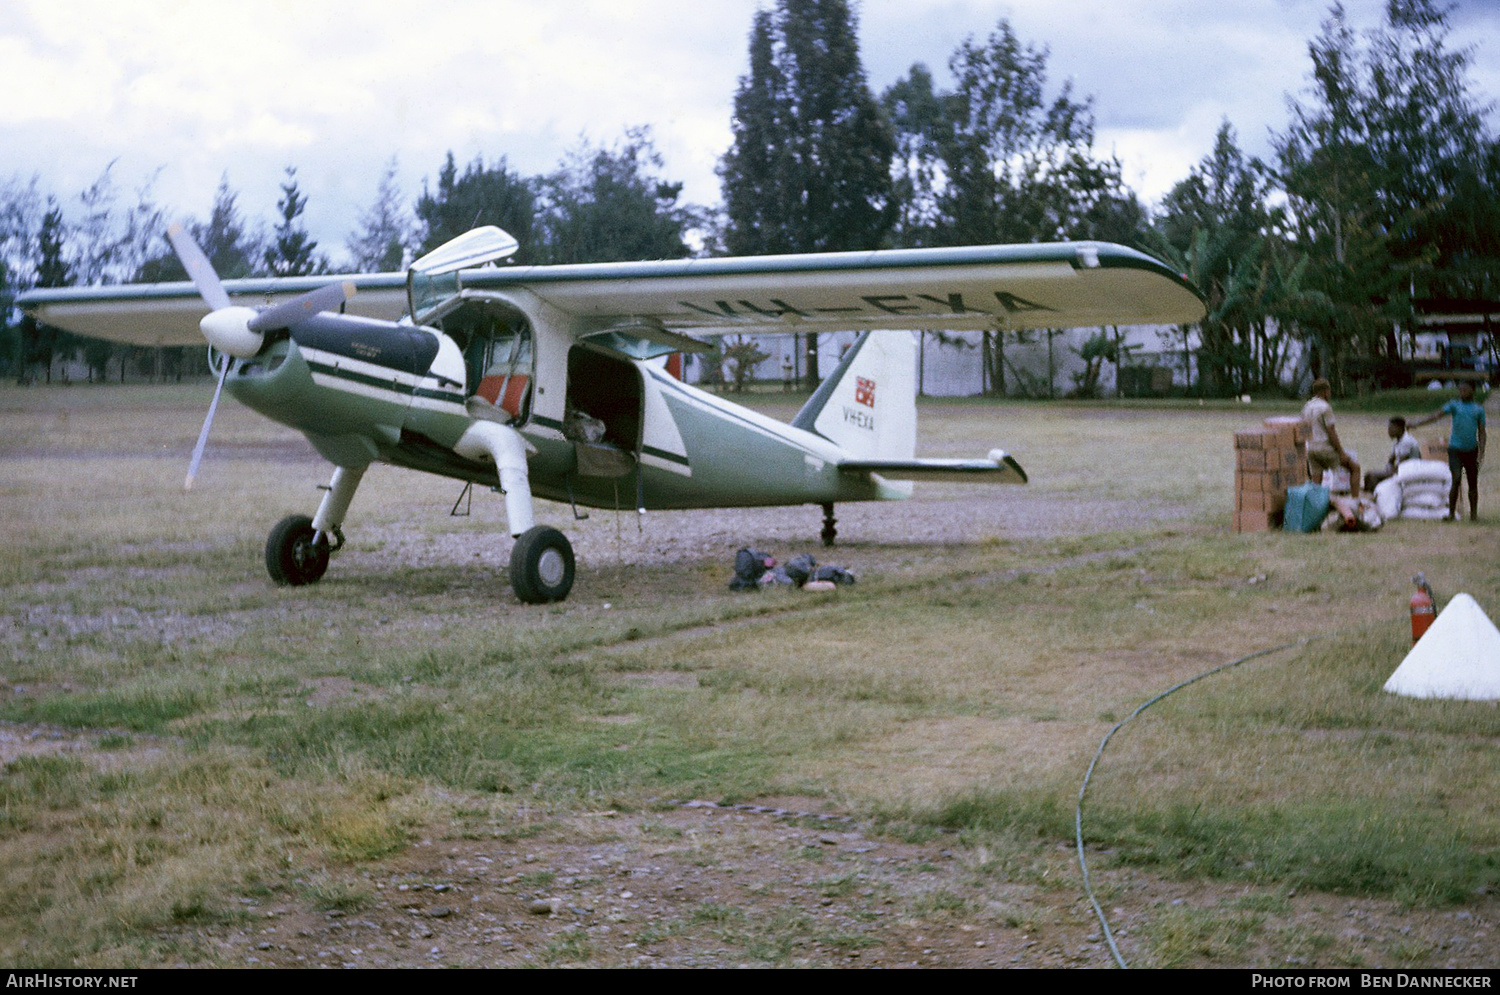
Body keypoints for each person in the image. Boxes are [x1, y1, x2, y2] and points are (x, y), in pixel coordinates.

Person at [1411, 381, 1486, 520]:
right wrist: (1416, 424)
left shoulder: (1478, 409)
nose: (1461, 391)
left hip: (1471, 450)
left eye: (1465, 389)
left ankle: (1474, 515)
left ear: (1472, 391)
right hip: (1455, 449)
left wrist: (1481, 451)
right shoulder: (1454, 405)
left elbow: (1482, 432)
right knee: (1456, 479)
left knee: (1472, 482)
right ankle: (1451, 513)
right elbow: (1435, 416)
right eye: (1460, 389)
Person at [1302, 378, 1361, 497]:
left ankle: (1316, 506)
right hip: (1324, 448)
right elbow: (1331, 432)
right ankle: (1355, 501)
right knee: (1355, 468)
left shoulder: (1307, 407)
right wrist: (1341, 453)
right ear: (1325, 391)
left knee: (1316, 482)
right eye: (1329, 391)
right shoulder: (1325, 407)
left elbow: (1303, 429)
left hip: (1310, 448)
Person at [1363, 416, 1422, 492]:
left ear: (1399, 428)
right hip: (1400, 470)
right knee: (1368, 475)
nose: (1389, 431)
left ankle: (1375, 497)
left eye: (1391, 428)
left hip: (1408, 471)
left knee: (1372, 476)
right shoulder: (1397, 441)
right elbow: (1391, 460)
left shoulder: (1406, 441)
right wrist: (1388, 467)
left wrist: (1389, 471)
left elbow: (1402, 464)